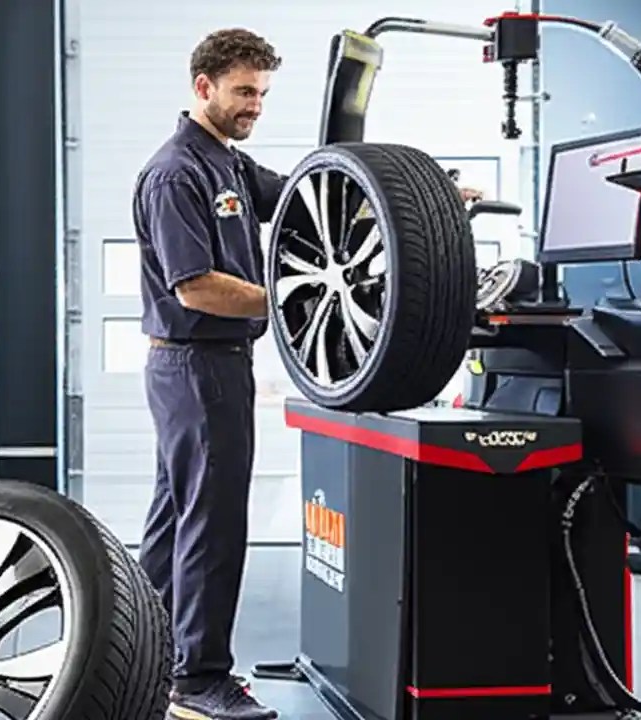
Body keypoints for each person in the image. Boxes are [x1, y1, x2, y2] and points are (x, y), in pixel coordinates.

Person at [131, 28, 483, 720]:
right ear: (203, 86)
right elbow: (196, 288)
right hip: (194, 366)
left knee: (176, 519)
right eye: (244, 92)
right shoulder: (177, 173)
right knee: (212, 525)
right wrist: (302, 296)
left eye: (262, 93)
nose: (255, 106)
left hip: (211, 367)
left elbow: (306, 195)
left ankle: (145, 653)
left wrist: (425, 198)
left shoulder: (228, 164)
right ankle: (198, 680)